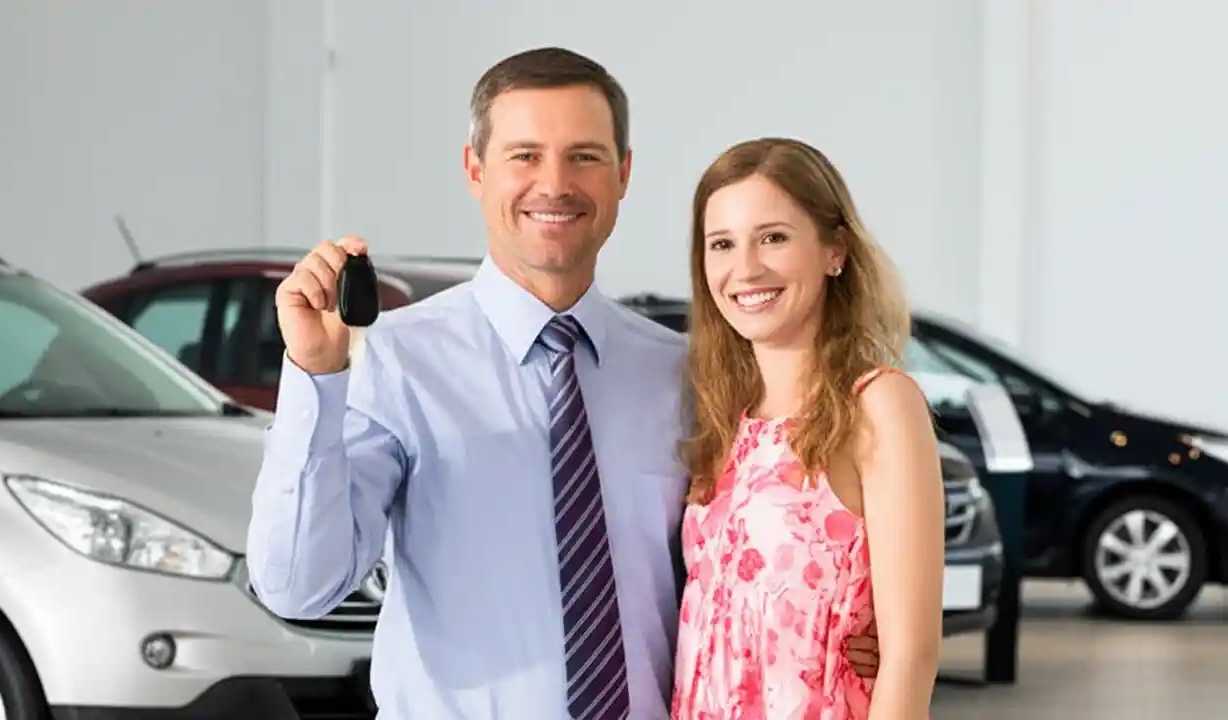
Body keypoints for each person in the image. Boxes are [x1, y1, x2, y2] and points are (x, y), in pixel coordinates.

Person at [245, 47, 879, 719]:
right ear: (475, 170)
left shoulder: (688, 373)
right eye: (524, 155)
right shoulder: (397, 362)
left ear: (623, 173)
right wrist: (316, 376)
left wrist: (857, 632)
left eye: (585, 156)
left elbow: (749, 566)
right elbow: (296, 589)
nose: (555, 183)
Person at [669, 137, 945, 718]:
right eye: (722, 244)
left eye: (773, 237)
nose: (745, 268)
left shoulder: (879, 405)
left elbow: (911, 654)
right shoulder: (723, 414)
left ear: (834, 249)